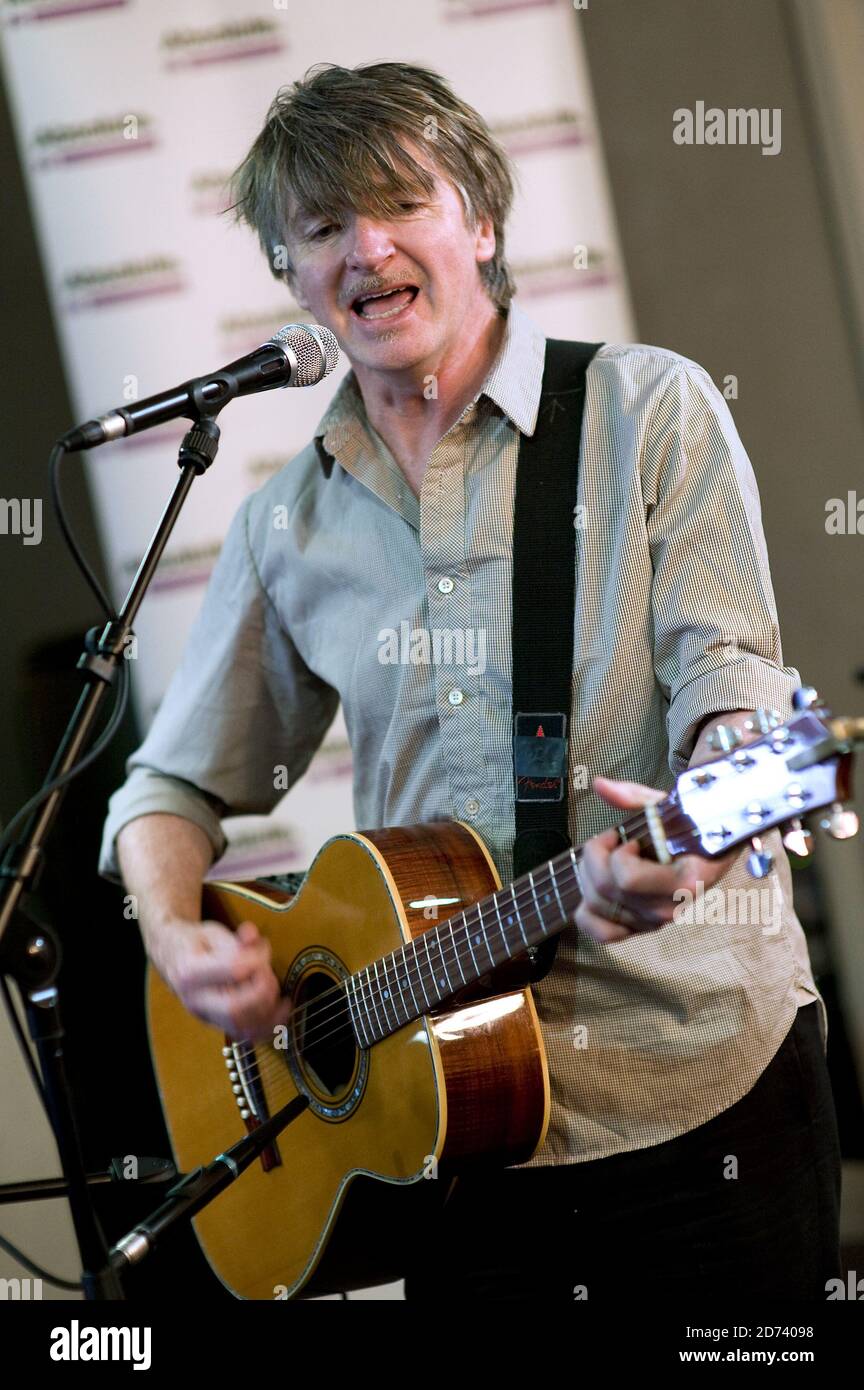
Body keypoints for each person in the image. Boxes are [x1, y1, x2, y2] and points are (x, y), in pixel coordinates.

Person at [99, 61, 841, 1301]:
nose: (366, 249)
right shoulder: (289, 519)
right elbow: (166, 786)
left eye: (402, 205)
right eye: (325, 228)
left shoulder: (646, 409)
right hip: (440, 1133)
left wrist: (697, 839)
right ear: (292, 276)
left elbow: (736, 686)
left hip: (697, 1078)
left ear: (483, 223)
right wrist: (178, 937)